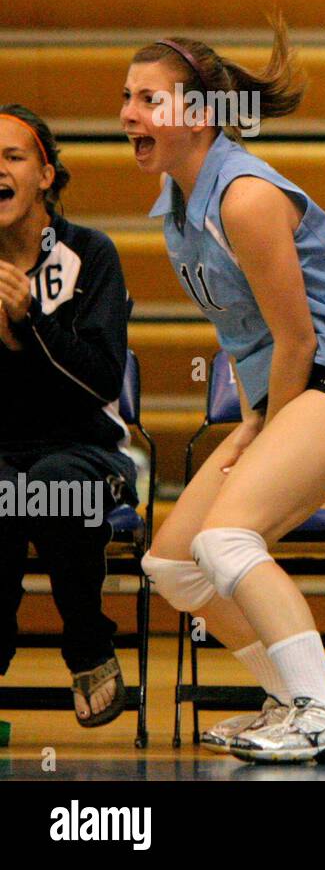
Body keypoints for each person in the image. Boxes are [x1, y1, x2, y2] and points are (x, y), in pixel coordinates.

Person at [122, 20, 325, 763]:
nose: (128, 113)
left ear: (199, 115)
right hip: (300, 383)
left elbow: (299, 339)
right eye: (126, 97)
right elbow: (243, 331)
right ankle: (287, 696)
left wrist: (264, 429)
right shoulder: (179, 205)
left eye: (149, 98)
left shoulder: (245, 197)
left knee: (226, 538)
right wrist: (256, 418)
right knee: (174, 563)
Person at [0, 105, 136, 727]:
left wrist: (33, 321)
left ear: (46, 175)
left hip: (86, 447)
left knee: (54, 487)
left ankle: (88, 645)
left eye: (12, 156)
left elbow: (100, 380)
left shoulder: (90, 255)